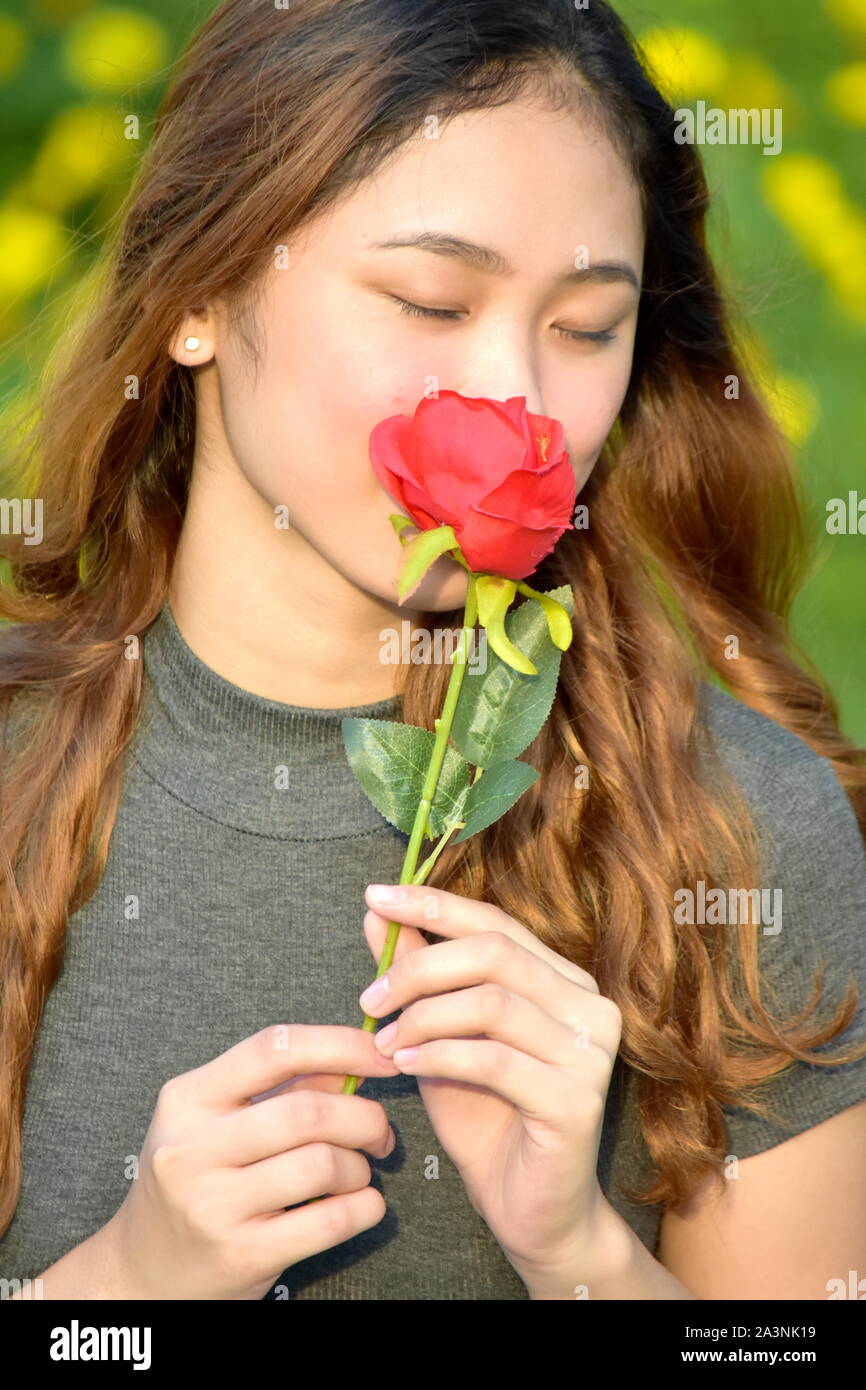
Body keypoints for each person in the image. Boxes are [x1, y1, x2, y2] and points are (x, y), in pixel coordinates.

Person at [2, 0, 865, 1302]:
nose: (518, 398)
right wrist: (120, 1294)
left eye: (585, 327)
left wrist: (579, 1255)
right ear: (198, 290)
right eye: (429, 298)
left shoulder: (736, 829)